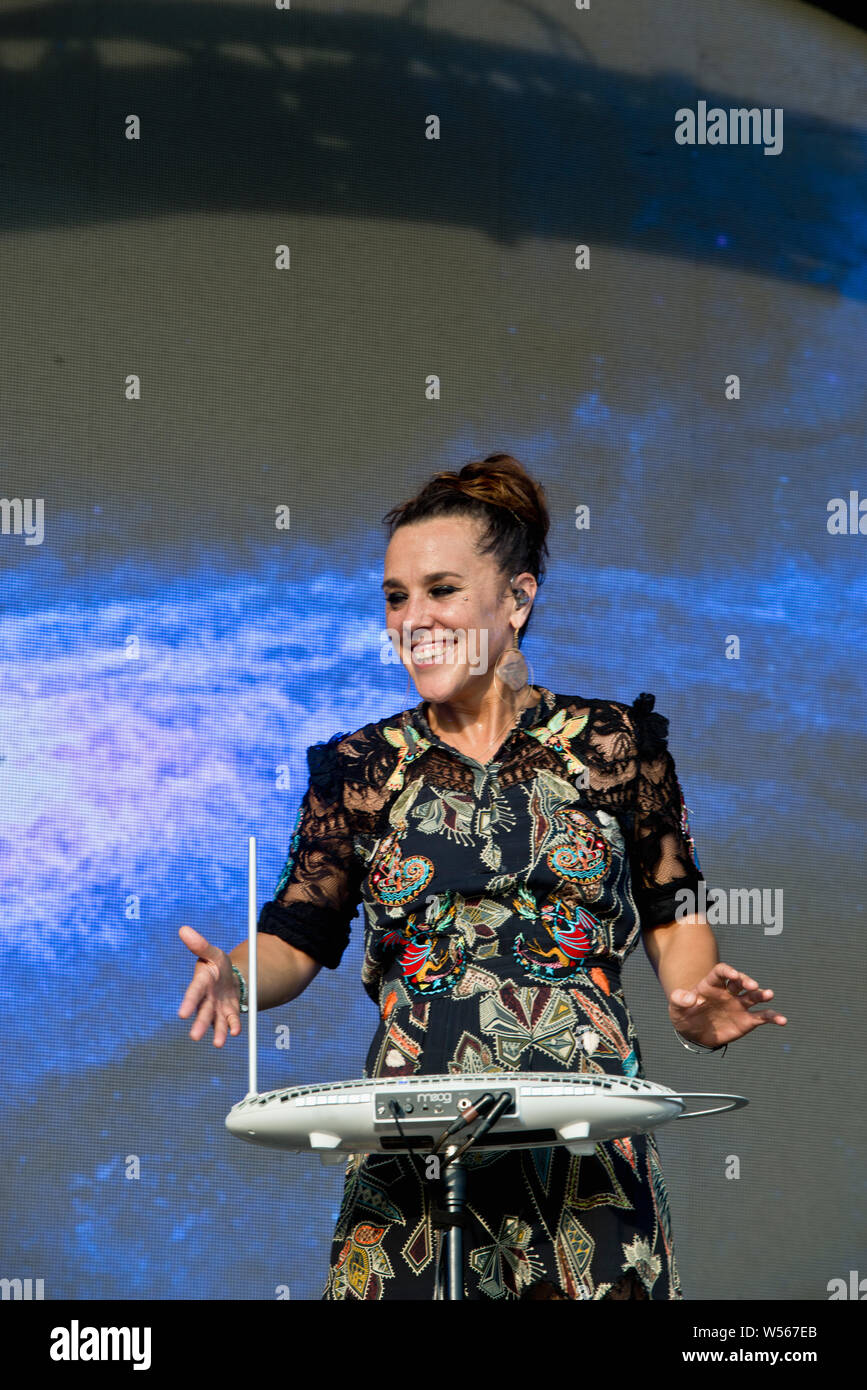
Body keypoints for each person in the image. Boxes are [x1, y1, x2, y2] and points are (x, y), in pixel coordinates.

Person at [178, 452, 787, 1300]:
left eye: (441, 590)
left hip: (584, 1139)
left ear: (517, 598)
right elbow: (299, 930)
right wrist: (236, 976)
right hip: (410, 1145)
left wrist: (692, 1007)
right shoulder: (357, 767)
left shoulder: (613, 746)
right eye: (396, 597)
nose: (413, 618)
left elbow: (670, 903)